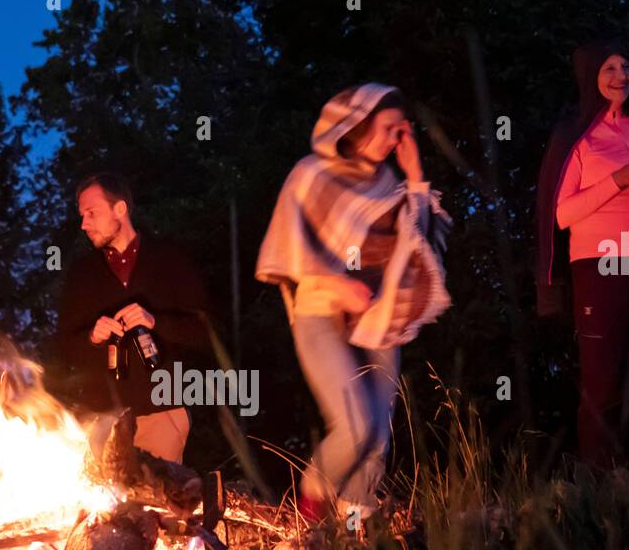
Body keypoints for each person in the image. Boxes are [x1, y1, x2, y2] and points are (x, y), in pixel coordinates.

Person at [257, 83, 452, 523]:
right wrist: (336, 283)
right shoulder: (311, 174)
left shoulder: (390, 185)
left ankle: (352, 537)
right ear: (358, 127)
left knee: (378, 436)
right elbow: (288, 248)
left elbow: (418, 245)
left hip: (378, 316)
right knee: (355, 425)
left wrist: (415, 175)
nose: (395, 138)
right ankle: (307, 517)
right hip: (319, 310)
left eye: (403, 129)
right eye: (388, 129)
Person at [535, 40, 629, 468]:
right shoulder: (576, 137)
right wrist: (618, 180)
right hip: (601, 264)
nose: (620, 75)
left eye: (626, 66)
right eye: (609, 68)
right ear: (590, 77)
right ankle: (602, 485)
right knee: (602, 381)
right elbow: (563, 214)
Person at [54, 173, 211, 464]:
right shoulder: (82, 274)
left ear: (120, 209)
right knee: (108, 507)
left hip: (163, 410)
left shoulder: (170, 260)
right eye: (82, 215)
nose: (83, 224)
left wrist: (156, 322)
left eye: (92, 213)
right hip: (103, 417)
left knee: (158, 504)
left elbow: (206, 333)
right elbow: (62, 348)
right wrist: (92, 337)